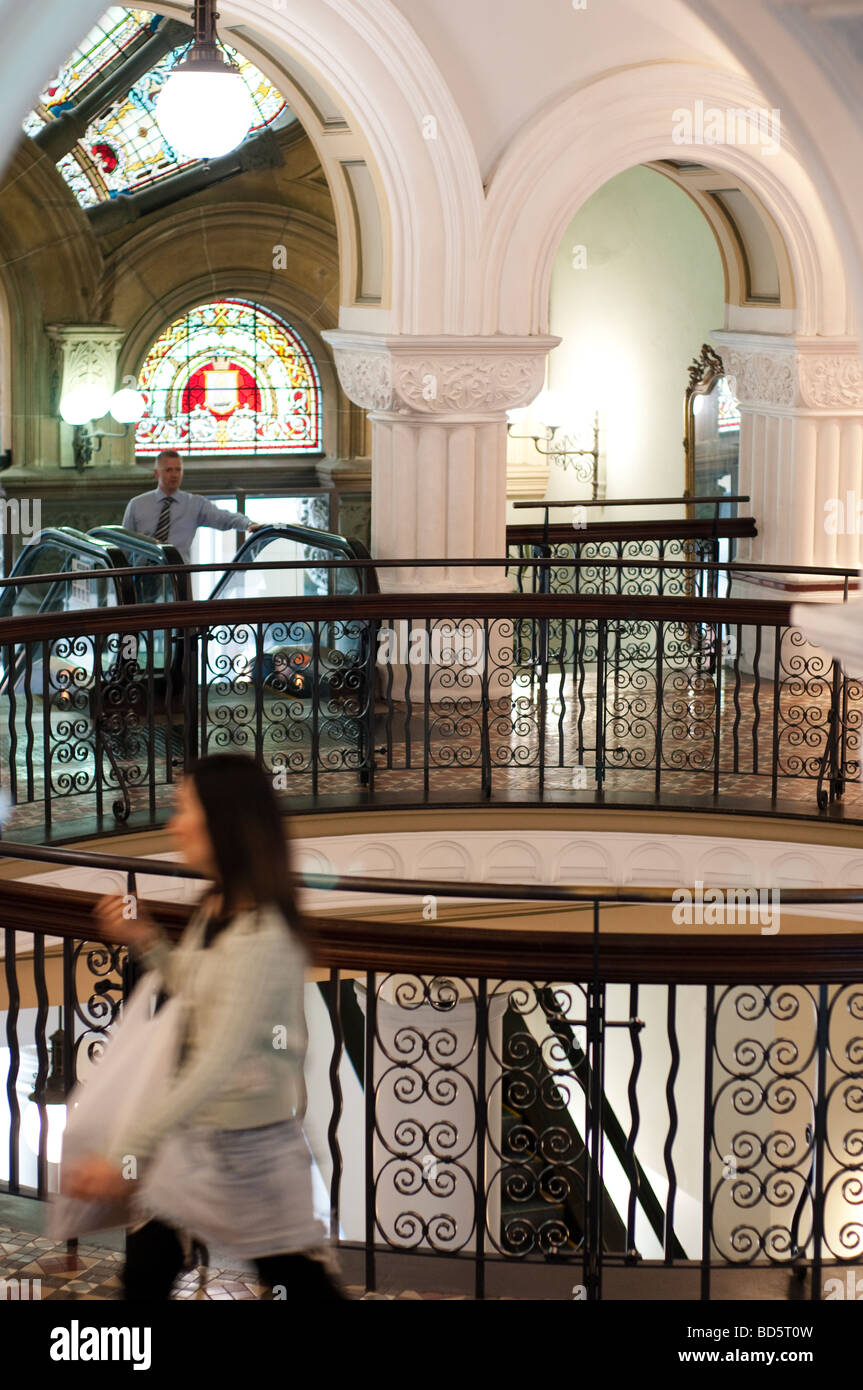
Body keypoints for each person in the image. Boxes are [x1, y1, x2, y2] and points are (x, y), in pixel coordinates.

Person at [66, 753, 345, 1302]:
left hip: (247, 1151)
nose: (174, 823)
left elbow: (217, 1061)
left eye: (183, 808)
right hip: (200, 1142)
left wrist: (125, 1153)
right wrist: (143, 936)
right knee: (148, 1272)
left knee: (299, 1281)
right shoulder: (220, 907)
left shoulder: (261, 936)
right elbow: (197, 987)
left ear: (223, 820)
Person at [122, 450, 261, 561]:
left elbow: (223, 518)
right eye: (169, 470)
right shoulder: (137, 504)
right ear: (156, 473)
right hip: (142, 576)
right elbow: (124, 545)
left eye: (178, 470)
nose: (174, 475)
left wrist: (248, 524)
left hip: (177, 575)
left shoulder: (194, 504)